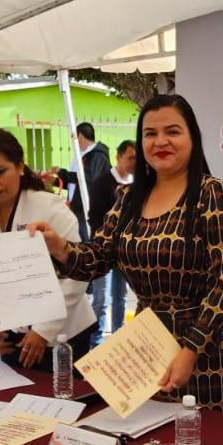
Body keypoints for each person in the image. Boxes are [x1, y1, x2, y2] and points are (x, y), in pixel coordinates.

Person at [28, 95, 223, 415]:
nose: (160, 141)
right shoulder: (129, 197)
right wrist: (59, 246)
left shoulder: (215, 194)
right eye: (150, 133)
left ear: (192, 137)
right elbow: (99, 258)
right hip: (145, 347)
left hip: (205, 351)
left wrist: (190, 351)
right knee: (149, 444)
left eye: (172, 131)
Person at [0, 129, 97, 369]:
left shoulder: (49, 207)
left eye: (0, 171)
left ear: (20, 167)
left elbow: (78, 274)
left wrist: (43, 331)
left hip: (64, 333)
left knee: (64, 401)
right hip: (9, 333)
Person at [86, 139, 135, 342]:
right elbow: (94, 217)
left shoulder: (137, 185)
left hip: (125, 252)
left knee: (120, 297)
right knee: (100, 298)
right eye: (131, 157)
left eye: (137, 159)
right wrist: (106, 241)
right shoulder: (102, 182)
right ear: (118, 157)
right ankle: (95, 342)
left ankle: (118, 340)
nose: (134, 163)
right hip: (103, 252)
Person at [48, 121, 111, 239]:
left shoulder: (97, 155)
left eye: (73, 136)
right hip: (76, 207)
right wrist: (56, 181)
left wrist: (61, 172)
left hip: (87, 208)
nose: (72, 140)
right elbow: (75, 183)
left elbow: (86, 180)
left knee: (85, 241)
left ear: (80, 136)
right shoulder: (81, 155)